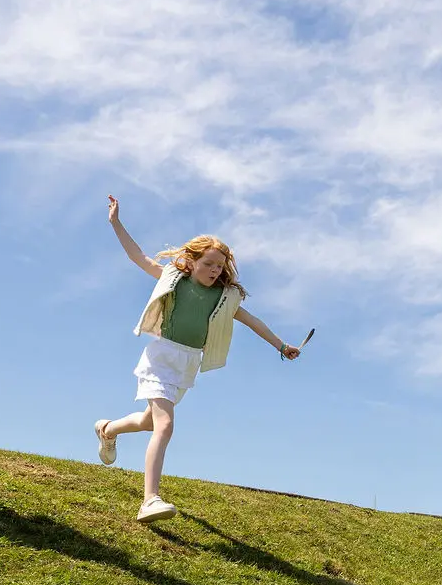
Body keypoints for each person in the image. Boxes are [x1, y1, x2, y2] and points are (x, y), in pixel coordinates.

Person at [95, 197, 301, 523]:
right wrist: (115, 222)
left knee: (150, 422)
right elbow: (137, 256)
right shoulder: (171, 279)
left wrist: (280, 345)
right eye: (208, 264)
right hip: (161, 356)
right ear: (191, 263)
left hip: (188, 363)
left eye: (219, 266)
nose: (214, 270)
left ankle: (107, 428)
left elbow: (253, 321)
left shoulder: (224, 297)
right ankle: (150, 499)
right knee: (164, 425)